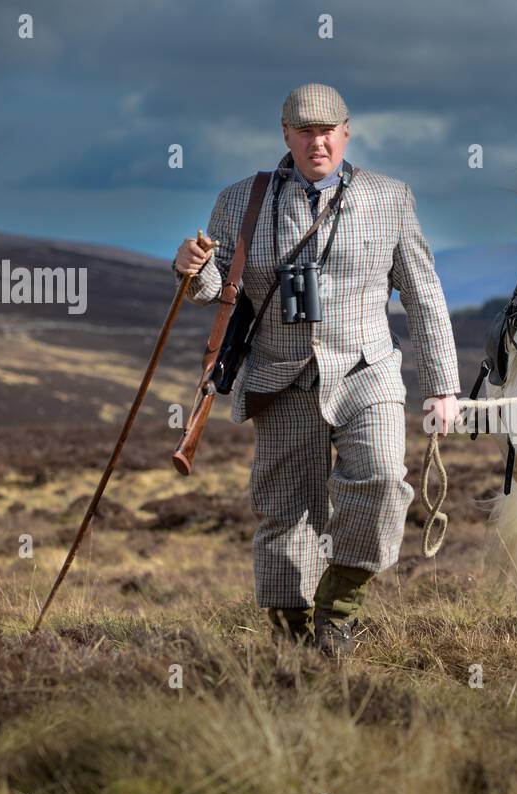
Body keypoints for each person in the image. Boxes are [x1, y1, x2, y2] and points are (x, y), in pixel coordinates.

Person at [173, 83, 461, 656]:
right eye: (304, 130)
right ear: (285, 134)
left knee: (381, 478)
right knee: (286, 511)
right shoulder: (240, 201)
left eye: (327, 129)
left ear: (347, 131)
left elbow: (424, 294)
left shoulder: (389, 197)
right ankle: (293, 644)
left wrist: (443, 388)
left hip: (366, 370)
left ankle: (340, 605)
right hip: (280, 374)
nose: (317, 141)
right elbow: (217, 287)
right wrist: (189, 269)